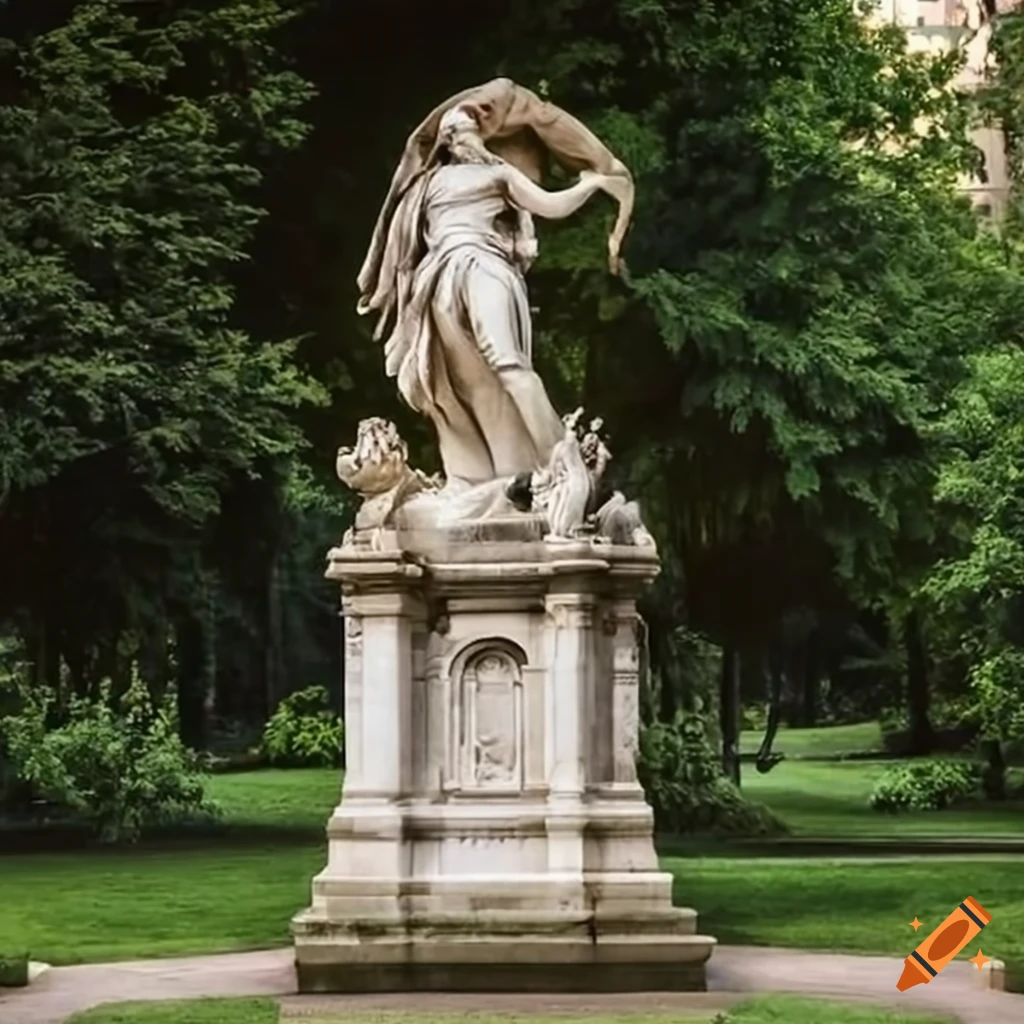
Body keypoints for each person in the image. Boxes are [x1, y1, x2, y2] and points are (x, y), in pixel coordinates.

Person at [359, 104, 630, 489]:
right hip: (438, 280)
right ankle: (489, 476)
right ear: (449, 140)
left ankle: (564, 464)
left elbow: (550, 205)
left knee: (508, 364)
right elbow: (402, 242)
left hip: (483, 268)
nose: (472, 140)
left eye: (474, 132)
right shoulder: (427, 184)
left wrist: (589, 185)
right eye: (463, 132)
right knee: (456, 382)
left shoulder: (498, 173)